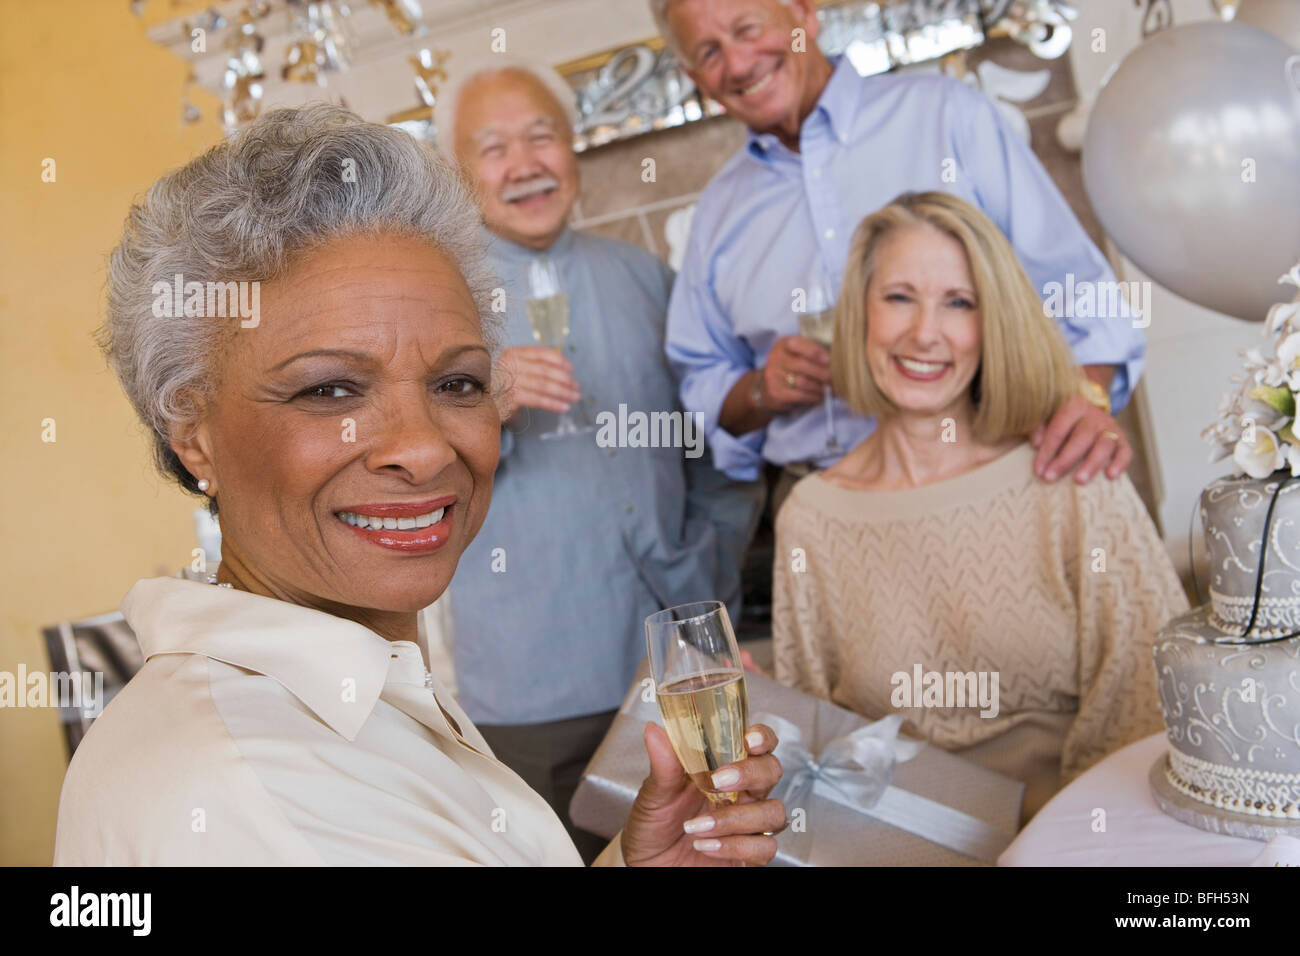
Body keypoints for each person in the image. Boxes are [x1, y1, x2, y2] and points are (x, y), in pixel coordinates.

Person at [54, 104, 784, 866]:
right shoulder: (251, 794)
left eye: (459, 383)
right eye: (331, 390)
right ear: (192, 433)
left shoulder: (351, 690)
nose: (425, 449)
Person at [771, 191, 1187, 824]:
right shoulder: (811, 518)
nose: (925, 332)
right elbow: (819, 759)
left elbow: (1151, 707)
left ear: (993, 322)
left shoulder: (1072, 474)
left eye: (958, 302)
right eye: (899, 297)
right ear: (859, 313)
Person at [434, 59, 763, 860]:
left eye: (542, 136)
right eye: (494, 147)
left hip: (677, 675)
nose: (525, 164)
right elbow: (406, 477)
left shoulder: (650, 280)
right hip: (529, 687)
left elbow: (718, 449)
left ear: (574, 148)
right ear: (457, 173)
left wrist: (708, 569)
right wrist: (480, 402)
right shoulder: (434, 306)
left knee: (706, 854)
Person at [652, 0, 1142, 508]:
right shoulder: (715, 214)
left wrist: (1087, 400)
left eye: (747, 29)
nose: (737, 64)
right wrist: (760, 390)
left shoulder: (948, 114)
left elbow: (1080, 292)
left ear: (803, 14)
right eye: (709, 53)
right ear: (694, 78)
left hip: (1003, 471)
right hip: (827, 504)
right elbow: (702, 387)